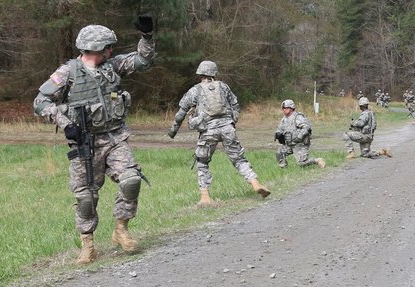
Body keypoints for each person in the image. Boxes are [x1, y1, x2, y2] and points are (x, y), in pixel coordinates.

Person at [32, 18, 155, 264]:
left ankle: (121, 230)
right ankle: (88, 244)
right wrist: (67, 124)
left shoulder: (113, 66)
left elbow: (144, 60)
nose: (111, 50)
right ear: (96, 48)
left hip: (115, 137)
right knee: (86, 197)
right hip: (85, 143)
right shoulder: (67, 73)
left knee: (131, 180)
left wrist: (147, 36)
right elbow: (40, 102)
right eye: (108, 47)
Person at [167, 60, 270, 207]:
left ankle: (205, 197)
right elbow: (235, 105)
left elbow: (181, 112)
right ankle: (255, 183)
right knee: (239, 159)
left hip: (208, 130)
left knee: (202, 162)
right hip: (228, 128)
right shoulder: (223, 86)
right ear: (214, 73)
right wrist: (232, 122)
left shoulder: (195, 90)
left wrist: (173, 131)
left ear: (200, 73)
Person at [274, 99, 326, 169]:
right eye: (283, 108)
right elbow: (280, 128)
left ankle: (317, 160)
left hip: (300, 144)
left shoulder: (298, 117)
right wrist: (278, 133)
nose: (284, 110)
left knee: (301, 164)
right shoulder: (284, 119)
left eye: (286, 108)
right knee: (279, 153)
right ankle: (284, 169)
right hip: (290, 144)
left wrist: (299, 137)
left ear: (291, 108)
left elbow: (307, 128)